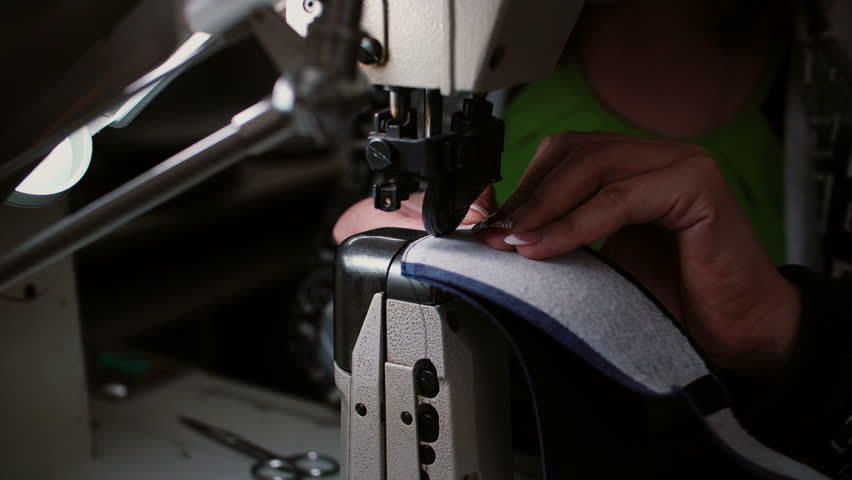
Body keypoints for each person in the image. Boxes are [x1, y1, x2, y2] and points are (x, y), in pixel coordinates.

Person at [335, 1, 852, 476]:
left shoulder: (835, 89)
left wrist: (784, 334)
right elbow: (315, 355)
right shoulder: (443, 69)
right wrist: (362, 288)